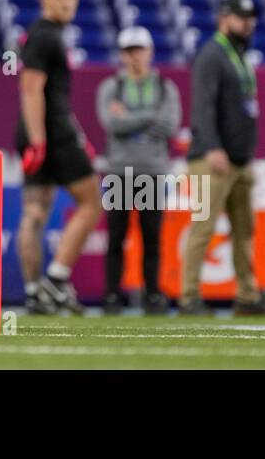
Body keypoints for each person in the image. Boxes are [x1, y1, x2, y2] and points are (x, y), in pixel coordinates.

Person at [15, 0, 101, 315]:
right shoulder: (46, 36)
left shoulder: (42, 34)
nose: (68, 4)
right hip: (51, 134)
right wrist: (40, 141)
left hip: (47, 131)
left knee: (35, 212)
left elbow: (54, 95)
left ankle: (36, 292)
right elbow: (31, 88)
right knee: (91, 203)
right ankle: (56, 280)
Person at [180, 0, 264, 316]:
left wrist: (245, 156)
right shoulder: (212, 55)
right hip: (210, 160)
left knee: (245, 230)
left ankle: (248, 296)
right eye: (241, 17)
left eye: (251, 17)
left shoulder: (240, 57)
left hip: (239, 162)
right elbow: (202, 105)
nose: (248, 23)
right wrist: (213, 146)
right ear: (224, 18)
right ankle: (189, 297)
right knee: (202, 226)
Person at [95, 26, 181, 316]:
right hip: (120, 171)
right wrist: (149, 118)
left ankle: (152, 294)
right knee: (116, 237)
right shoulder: (111, 87)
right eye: (129, 51)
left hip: (153, 172)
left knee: (152, 238)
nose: (135, 57)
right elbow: (112, 124)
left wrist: (130, 118)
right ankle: (112, 295)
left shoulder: (164, 86)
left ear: (150, 52)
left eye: (139, 50)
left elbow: (170, 125)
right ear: (121, 55)